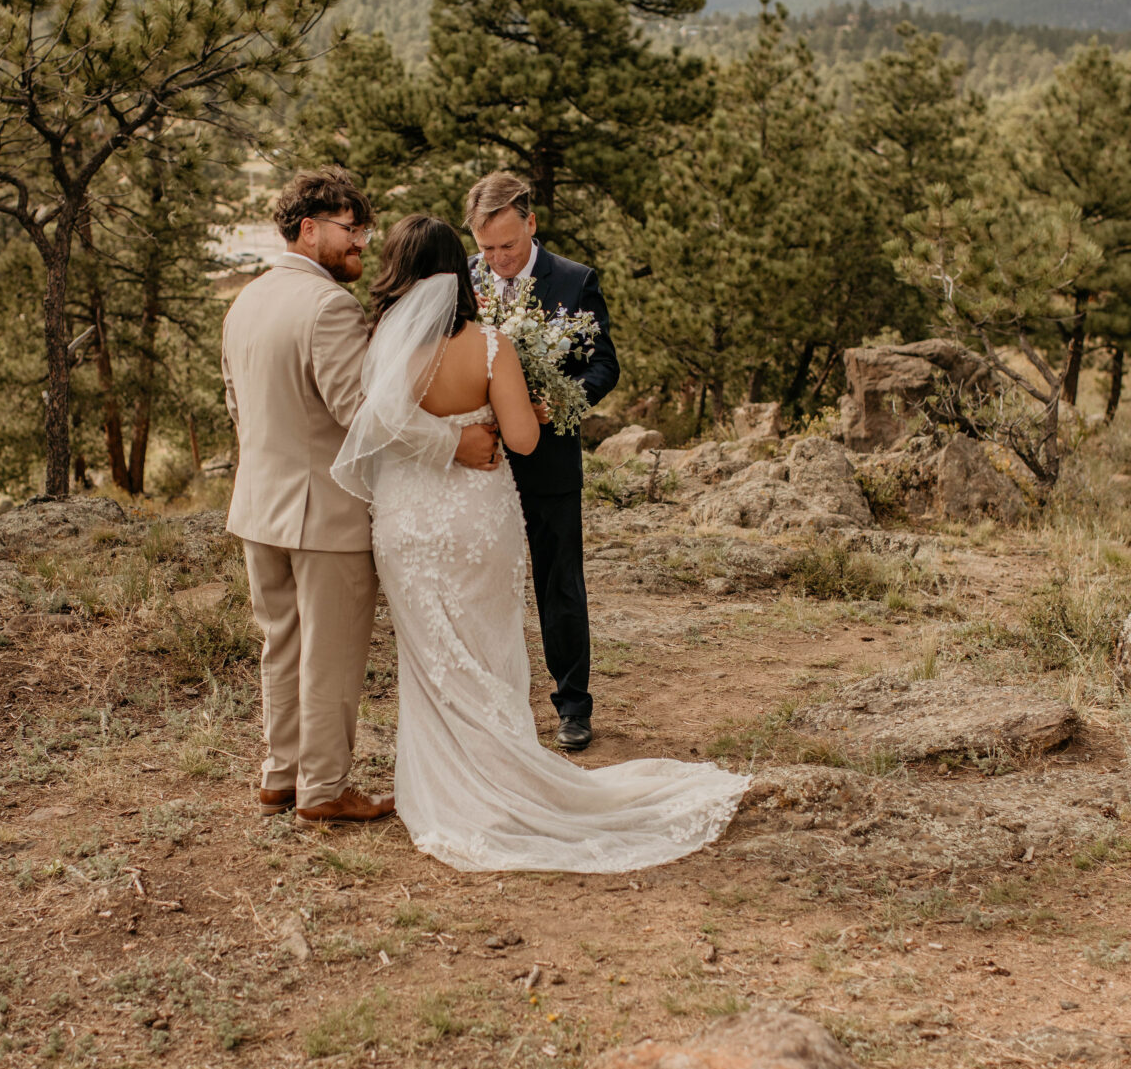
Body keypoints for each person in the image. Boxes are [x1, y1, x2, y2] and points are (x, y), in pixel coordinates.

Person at [333, 214, 747, 873]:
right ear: (458, 272)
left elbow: (375, 425)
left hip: (407, 524)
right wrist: (514, 404)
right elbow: (523, 441)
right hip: (476, 519)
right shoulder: (491, 345)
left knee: (432, 658)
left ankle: (439, 789)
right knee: (487, 648)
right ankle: (502, 780)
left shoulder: (380, 339)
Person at [221, 168, 499, 828]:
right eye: (352, 230)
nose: (362, 244)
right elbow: (365, 414)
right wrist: (453, 445)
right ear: (308, 228)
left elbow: (237, 406)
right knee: (331, 657)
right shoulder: (328, 308)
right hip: (325, 512)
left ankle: (279, 775)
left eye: (366, 231)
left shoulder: (245, 302)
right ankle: (322, 788)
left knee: (281, 647)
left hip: (260, 505)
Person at [464, 172, 619, 750]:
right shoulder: (464, 278)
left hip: (550, 459)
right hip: (481, 460)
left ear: (531, 223)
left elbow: (604, 366)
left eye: (509, 245)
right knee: (483, 579)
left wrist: (558, 403)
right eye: (487, 249)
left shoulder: (575, 281)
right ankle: (489, 703)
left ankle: (573, 706)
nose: (499, 260)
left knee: (559, 583)